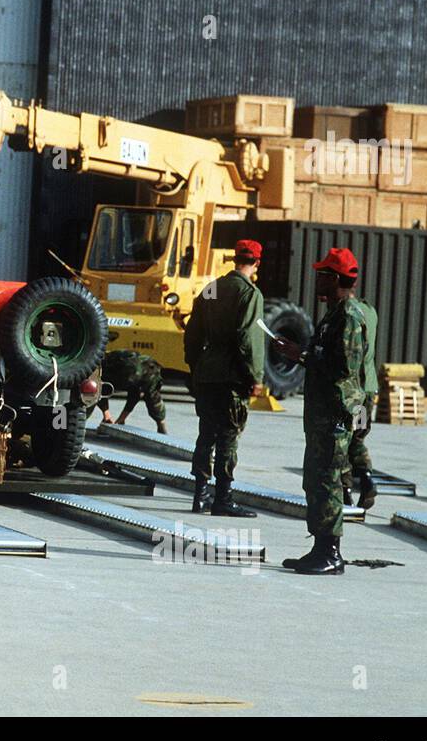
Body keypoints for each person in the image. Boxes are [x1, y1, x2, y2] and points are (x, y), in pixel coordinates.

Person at [272, 247, 366, 575]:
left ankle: (331, 553)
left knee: (327, 481)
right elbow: (322, 354)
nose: (318, 279)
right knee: (315, 479)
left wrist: (303, 355)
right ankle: (320, 548)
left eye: (324, 275)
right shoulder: (334, 314)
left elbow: (344, 367)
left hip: (334, 414)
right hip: (321, 414)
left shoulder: (350, 317)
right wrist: (298, 353)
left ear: (338, 279)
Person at [182, 239, 264, 517]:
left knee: (206, 433)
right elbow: (247, 338)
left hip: (208, 372)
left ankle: (200, 494)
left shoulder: (212, 287)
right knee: (229, 436)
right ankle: (223, 497)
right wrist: (255, 376)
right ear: (256, 263)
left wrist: (196, 366)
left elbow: (192, 332)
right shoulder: (250, 293)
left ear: (234, 259)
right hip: (232, 376)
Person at [343, 295, 379, 510]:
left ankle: (346, 491)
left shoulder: (347, 314)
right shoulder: (370, 311)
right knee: (357, 437)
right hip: (368, 390)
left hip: (354, 391)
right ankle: (366, 478)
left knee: (344, 439)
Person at [97, 350, 167, 433]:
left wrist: (121, 419)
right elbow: (101, 389)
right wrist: (106, 415)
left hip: (147, 370)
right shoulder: (108, 365)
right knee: (94, 389)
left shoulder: (149, 372)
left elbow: (135, 396)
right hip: (115, 368)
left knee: (152, 398)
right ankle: (104, 418)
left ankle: (161, 424)